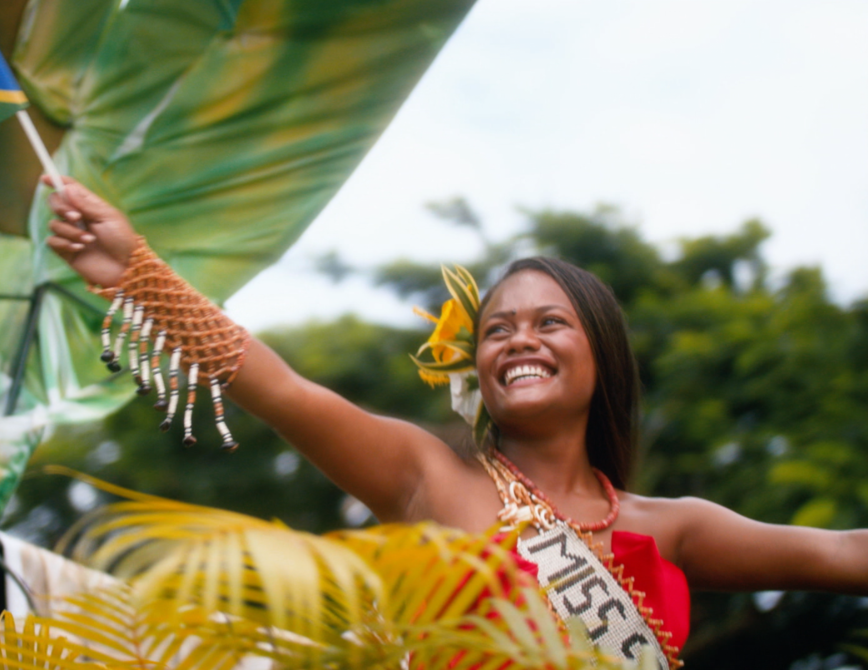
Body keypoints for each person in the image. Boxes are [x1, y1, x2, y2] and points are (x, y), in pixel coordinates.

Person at [43, 176, 868, 668]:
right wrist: (139, 274)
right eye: (498, 330)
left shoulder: (674, 528)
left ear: (602, 356)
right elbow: (289, 392)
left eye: (550, 323)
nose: (519, 342)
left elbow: (841, 552)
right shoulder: (428, 476)